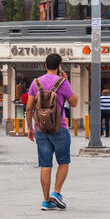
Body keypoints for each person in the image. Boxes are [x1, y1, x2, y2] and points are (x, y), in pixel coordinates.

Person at [26, 53, 77, 210]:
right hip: (59, 128)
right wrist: (66, 81)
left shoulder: (36, 83)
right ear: (60, 66)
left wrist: (29, 127)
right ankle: (56, 192)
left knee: (45, 165)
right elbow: (74, 102)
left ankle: (46, 201)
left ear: (45, 65)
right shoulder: (63, 83)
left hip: (40, 129)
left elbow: (29, 107)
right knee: (63, 162)